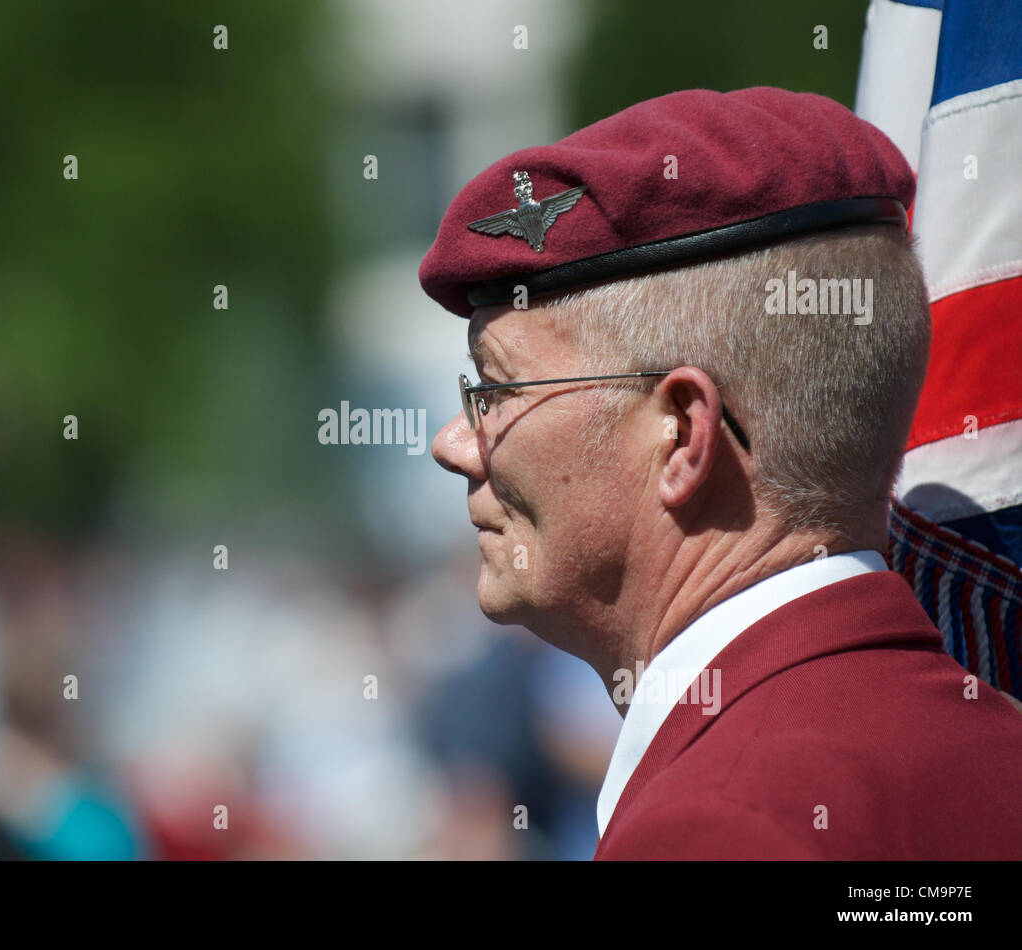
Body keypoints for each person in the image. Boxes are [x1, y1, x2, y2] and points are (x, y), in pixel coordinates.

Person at [419, 86, 1022, 859]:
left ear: (681, 436)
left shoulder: (716, 829)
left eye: (496, 390)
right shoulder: (991, 746)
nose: (454, 443)